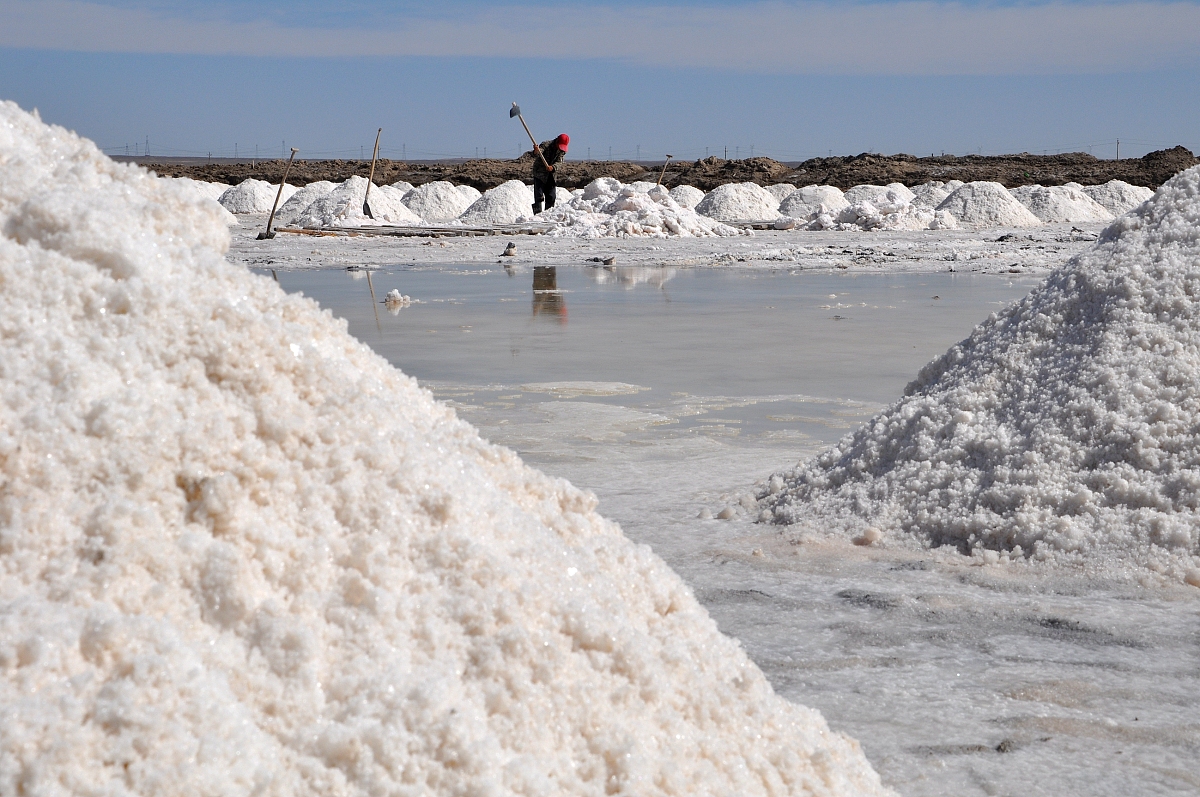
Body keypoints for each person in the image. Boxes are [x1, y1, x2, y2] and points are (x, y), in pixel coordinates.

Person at [530, 133, 569, 214]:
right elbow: (538, 153)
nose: (560, 148)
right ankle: (537, 215)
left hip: (551, 175)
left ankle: (548, 215)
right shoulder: (546, 145)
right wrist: (536, 151)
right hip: (539, 173)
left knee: (551, 196)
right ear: (557, 141)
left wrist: (553, 167)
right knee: (539, 196)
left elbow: (559, 162)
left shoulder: (561, 151)